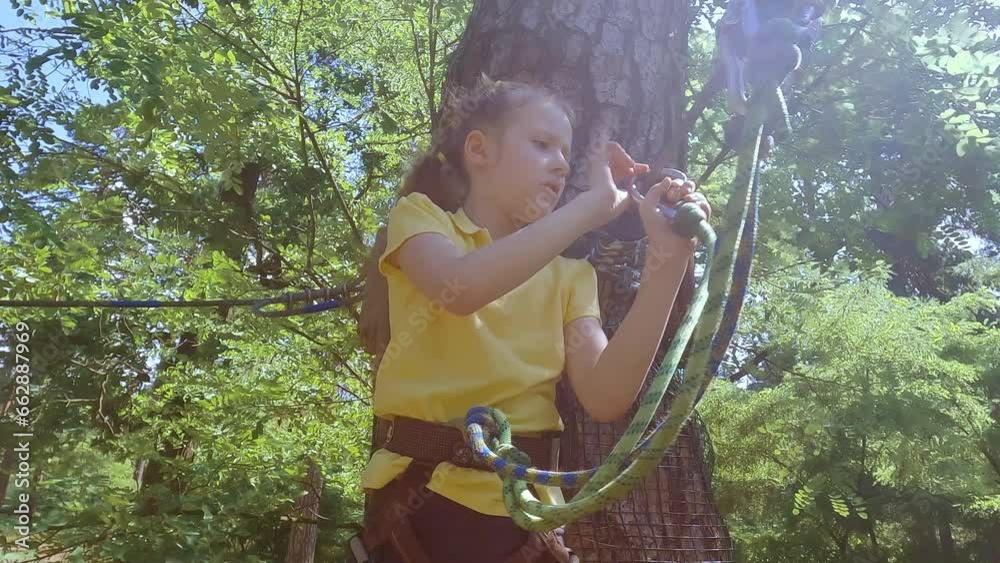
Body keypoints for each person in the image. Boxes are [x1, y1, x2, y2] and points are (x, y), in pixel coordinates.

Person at [355, 74, 711, 563]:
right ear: (478, 150)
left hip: (526, 519)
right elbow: (462, 288)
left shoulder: (570, 275)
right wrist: (588, 210)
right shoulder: (421, 220)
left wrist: (668, 260)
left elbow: (606, 395)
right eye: (542, 145)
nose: (561, 165)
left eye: (566, 154)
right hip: (426, 505)